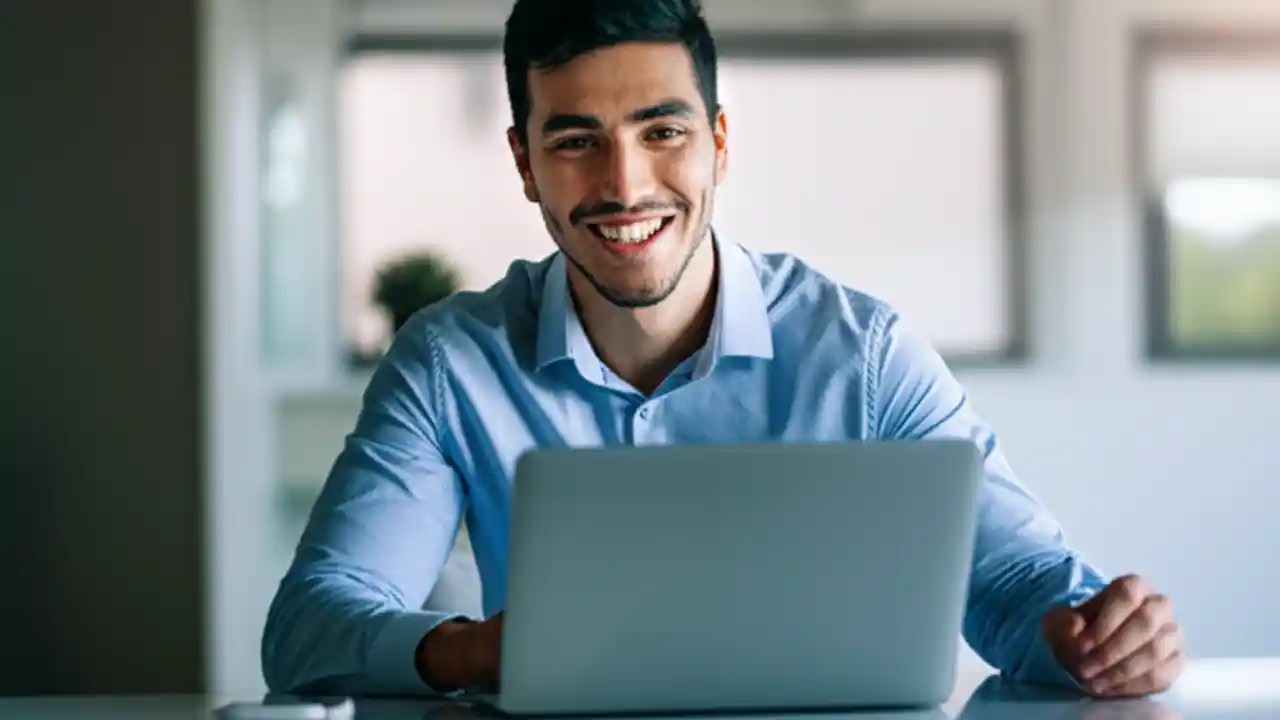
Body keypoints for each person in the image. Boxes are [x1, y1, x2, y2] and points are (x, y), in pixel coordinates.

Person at [263, 0, 1184, 700]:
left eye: (662, 132)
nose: (625, 185)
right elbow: (311, 629)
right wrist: (477, 648)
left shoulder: (863, 354)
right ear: (524, 163)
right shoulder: (449, 363)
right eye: (577, 140)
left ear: (719, 142)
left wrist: (1097, 637)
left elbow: (1018, 583)